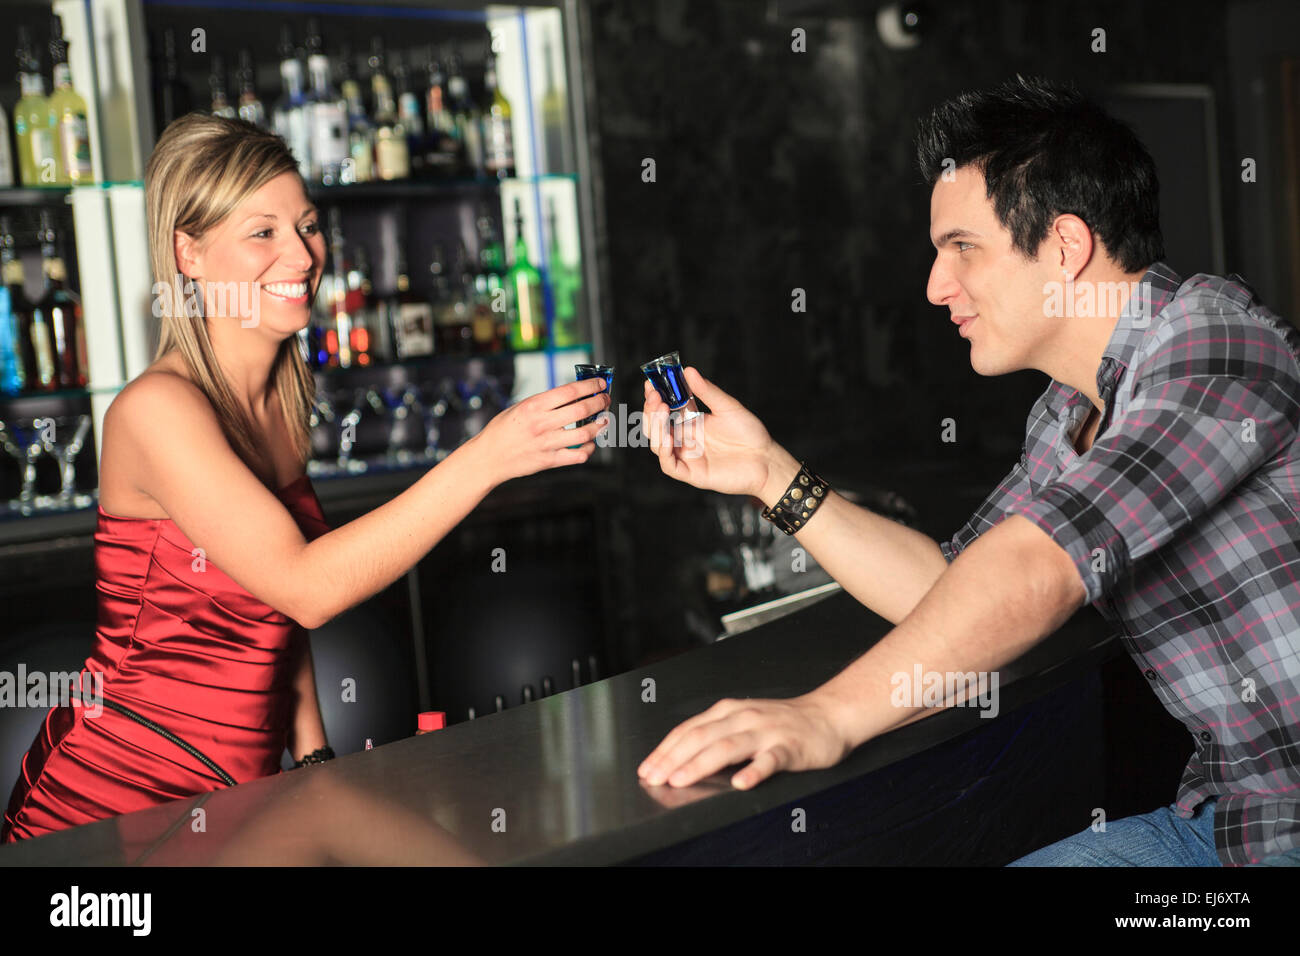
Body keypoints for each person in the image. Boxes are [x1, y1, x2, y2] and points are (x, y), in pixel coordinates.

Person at [635, 76, 1300, 867]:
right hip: (1230, 827)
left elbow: (1038, 567)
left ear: (1065, 246)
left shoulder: (1217, 345)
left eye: (962, 248)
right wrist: (770, 476)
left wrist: (826, 717)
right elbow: (949, 594)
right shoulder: (1066, 414)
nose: (934, 286)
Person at [1, 113, 609, 843]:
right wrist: (491, 454)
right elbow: (308, 588)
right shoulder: (157, 410)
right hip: (119, 803)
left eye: (309, 226)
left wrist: (315, 759)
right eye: (263, 232)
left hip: (240, 799)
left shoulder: (280, 399)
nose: (301, 255)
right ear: (187, 254)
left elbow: (275, 618)